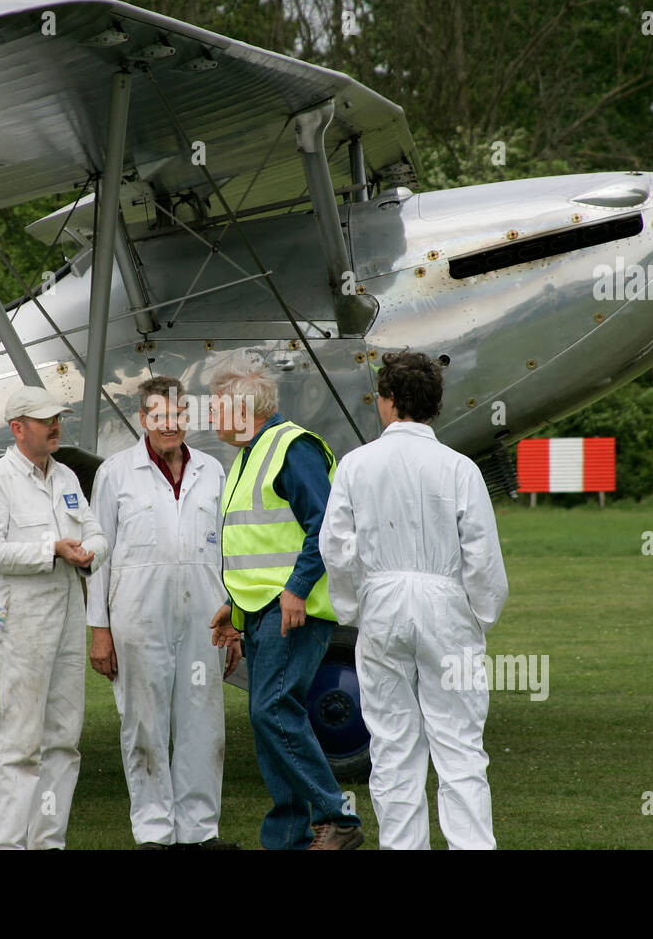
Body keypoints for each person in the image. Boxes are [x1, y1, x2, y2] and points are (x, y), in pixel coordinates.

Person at [320, 351, 508, 850]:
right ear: (434, 404)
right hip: (445, 604)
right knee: (460, 744)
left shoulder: (356, 465)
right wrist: (479, 617)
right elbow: (483, 556)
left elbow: (335, 546)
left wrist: (355, 608)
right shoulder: (459, 467)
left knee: (393, 747)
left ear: (386, 401)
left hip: (381, 602)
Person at [206, 353, 364, 850]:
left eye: (215, 407)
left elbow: (326, 526)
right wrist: (234, 608)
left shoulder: (292, 448)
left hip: (292, 609)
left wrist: (296, 589)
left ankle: (337, 816)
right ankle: (290, 837)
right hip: (262, 610)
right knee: (271, 717)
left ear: (242, 410)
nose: (209, 416)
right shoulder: (251, 453)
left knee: (271, 710)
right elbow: (255, 545)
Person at [87, 377, 238, 850]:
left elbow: (230, 553)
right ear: (143, 419)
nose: (169, 425)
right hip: (137, 616)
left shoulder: (213, 471)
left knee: (203, 723)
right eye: (159, 416)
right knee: (144, 724)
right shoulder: (115, 473)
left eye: (177, 415)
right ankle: (153, 832)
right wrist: (99, 630)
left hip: (206, 619)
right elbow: (98, 557)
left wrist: (234, 620)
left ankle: (199, 831)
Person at [0, 385, 107, 850]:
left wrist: (90, 553)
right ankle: (7, 844)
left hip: (69, 611)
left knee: (64, 737)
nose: (56, 426)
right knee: (19, 740)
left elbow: (95, 532)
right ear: (17, 428)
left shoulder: (65, 476)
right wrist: (51, 549)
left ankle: (48, 841)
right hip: (23, 617)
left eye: (58, 418)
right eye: (46, 419)